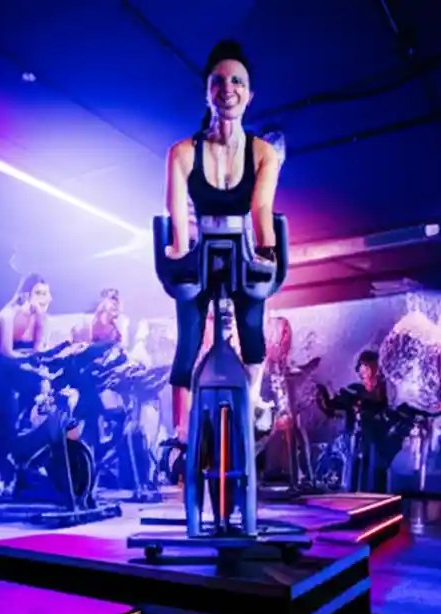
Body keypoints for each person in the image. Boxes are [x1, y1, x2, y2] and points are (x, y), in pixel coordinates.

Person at [164, 38, 282, 444]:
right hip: (201, 251)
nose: (227, 88)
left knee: (252, 326)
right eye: (218, 81)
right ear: (207, 92)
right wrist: (178, 249)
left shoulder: (264, 152)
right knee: (189, 339)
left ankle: (250, 400)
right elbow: (178, 215)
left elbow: (262, 208)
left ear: (249, 95)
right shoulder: (181, 153)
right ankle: (184, 430)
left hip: (241, 248)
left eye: (237, 81)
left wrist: (267, 251)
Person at [0, 273, 51, 488]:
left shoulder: (40, 317)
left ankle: (20, 452)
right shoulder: (8, 315)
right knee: (6, 417)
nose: (43, 298)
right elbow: (6, 352)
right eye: (38, 293)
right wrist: (30, 363)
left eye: (46, 293)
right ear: (26, 293)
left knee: (38, 392)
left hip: (18, 365)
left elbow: (38, 350)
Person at [316, 350, 393, 493]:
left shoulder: (384, 393)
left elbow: (384, 412)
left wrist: (365, 408)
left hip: (375, 444)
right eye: (361, 366)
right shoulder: (355, 390)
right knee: (354, 472)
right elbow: (333, 405)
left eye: (366, 366)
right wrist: (322, 393)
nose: (363, 371)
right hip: (355, 442)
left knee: (373, 476)